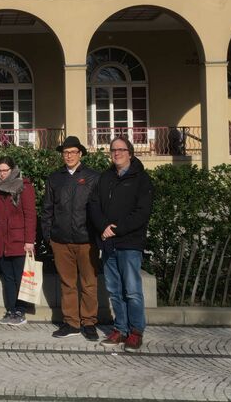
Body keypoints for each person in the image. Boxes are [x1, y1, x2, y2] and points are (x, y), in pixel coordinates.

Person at [89, 136, 153, 352]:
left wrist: (116, 229)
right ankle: (120, 329)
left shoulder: (141, 179)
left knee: (133, 290)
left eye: (121, 149)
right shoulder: (105, 177)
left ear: (130, 153)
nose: (117, 153)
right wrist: (103, 227)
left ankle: (136, 332)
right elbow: (94, 205)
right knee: (114, 290)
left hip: (129, 242)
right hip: (108, 243)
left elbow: (142, 212)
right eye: (113, 150)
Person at [42, 136, 101, 340]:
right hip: (61, 240)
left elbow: (99, 209)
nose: (69, 156)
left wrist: (97, 235)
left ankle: (89, 322)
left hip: (86, 240)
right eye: (65, 152)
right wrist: (49, 236)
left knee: (89, 283)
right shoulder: (55, 178)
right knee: (67, 284)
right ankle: (71, 322)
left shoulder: (93, 177)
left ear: (80, 154)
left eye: (73, 152)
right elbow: (47, 209)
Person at [0, 156, 36, 326]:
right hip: (2, 239)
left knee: (21, 277)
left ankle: (20, 311)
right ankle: (10, 310)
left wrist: (29, 240)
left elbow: (30, 215)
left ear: (12, 170)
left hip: (19, 240)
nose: (2, 174)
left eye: (5, 170)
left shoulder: (23, 186)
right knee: (8, 277)